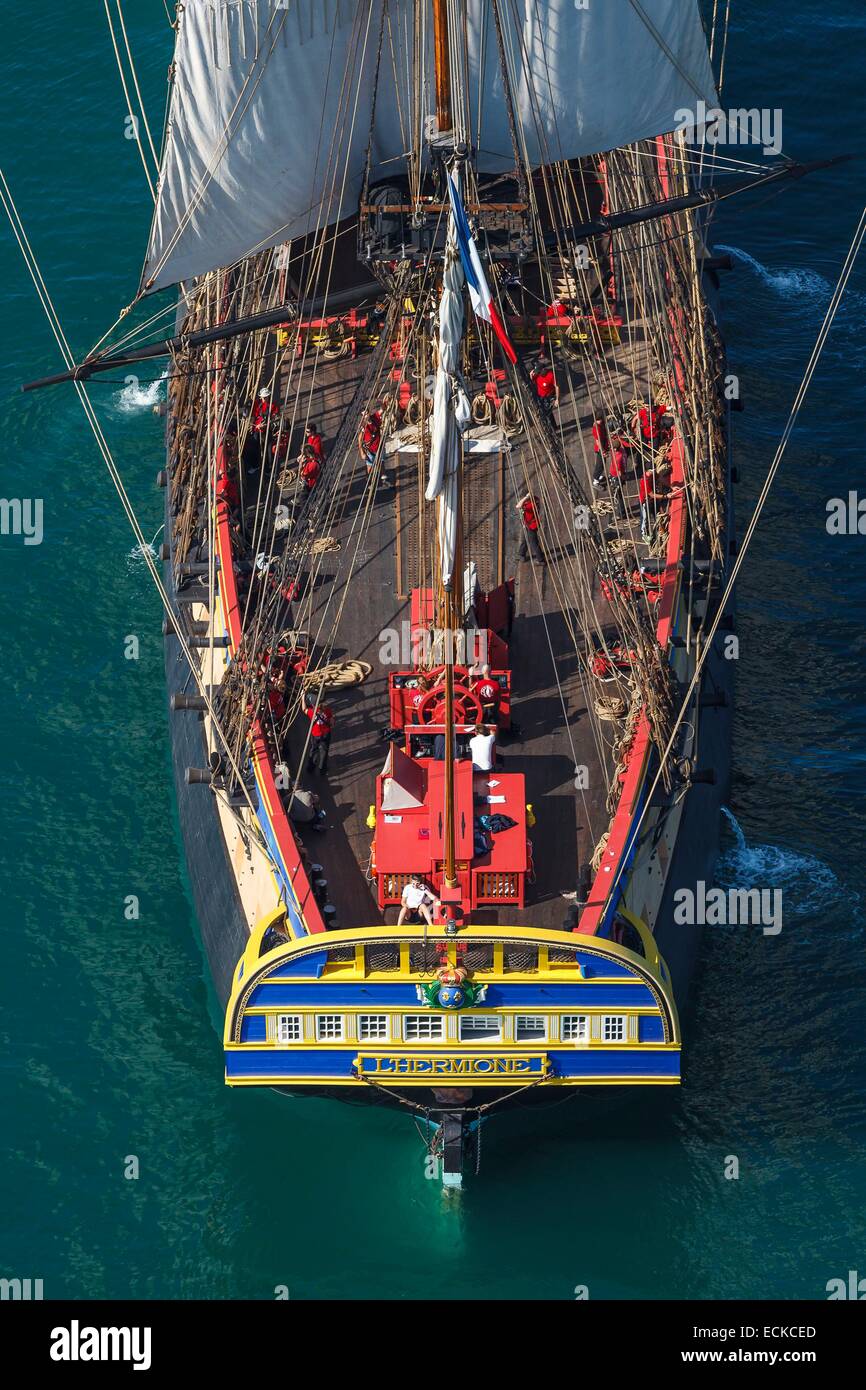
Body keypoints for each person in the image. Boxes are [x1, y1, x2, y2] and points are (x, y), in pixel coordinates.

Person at [304, 694, 334, 774]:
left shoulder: (312, 712)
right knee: (324, 752)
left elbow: (304, 709)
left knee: (314, 750)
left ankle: (311, 768)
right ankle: (322, 769)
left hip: (315, 734)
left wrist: (302, 698)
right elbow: (332, 722)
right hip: (325, 734)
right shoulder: (327, 710)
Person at [516, 492, 543, 563]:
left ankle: (540, 560)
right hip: (532, 524)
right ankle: (521, 554)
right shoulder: (536, 499)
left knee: (533, 543)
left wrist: (525, 498)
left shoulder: (530, 505)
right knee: (526, 539)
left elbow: (518, 506)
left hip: (531, 526)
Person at [359, 406, 382, 472]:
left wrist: (381, 402)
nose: (366, 416)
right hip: (370, 450)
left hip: (379, 447)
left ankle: (384, 479)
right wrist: (362, 452)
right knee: (370, 467)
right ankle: (370, 479)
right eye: (364, 415)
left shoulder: (375, 417)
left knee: (381, 464)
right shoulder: (363, 426)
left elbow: (382, 409)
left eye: (366, 413)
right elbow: (360, 439)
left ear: (369, 413)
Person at [591, 414, 610, 486]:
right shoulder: (597, 428)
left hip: (602, 447)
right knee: (600, 464)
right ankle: (595, 480)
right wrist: (603, 451)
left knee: (602, 463)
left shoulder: (599, 425)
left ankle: (598, 475)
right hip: (600, 449)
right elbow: (598, 441)